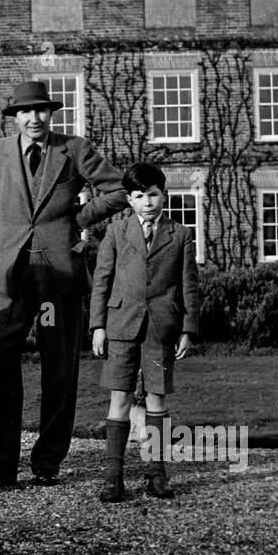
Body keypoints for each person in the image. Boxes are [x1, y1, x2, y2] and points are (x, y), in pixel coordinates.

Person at [0, 80, 127, 491]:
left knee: (60, 369)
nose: (33, 118)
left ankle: (47, 462)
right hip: (13, 276)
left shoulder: (73, 149)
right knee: (2, 367)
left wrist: (79, 219)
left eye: (41, 110)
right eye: (25, 111)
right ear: (14, 117)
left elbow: (119, 189)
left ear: (51, 113)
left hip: (59, 275)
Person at [90, 162, 200, 501]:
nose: (147, 202)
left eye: (153, 194)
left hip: (160, 329)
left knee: (156, 397)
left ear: (163, 196)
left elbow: (189, 287)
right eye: (139, 196)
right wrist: (97, 326)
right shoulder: (116, 232)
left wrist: (188, 329)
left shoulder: (180, 235)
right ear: (129, 199)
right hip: (121, 325)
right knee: (119, 396)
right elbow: (102, 281)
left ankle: (156, 474)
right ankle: (113, 477)